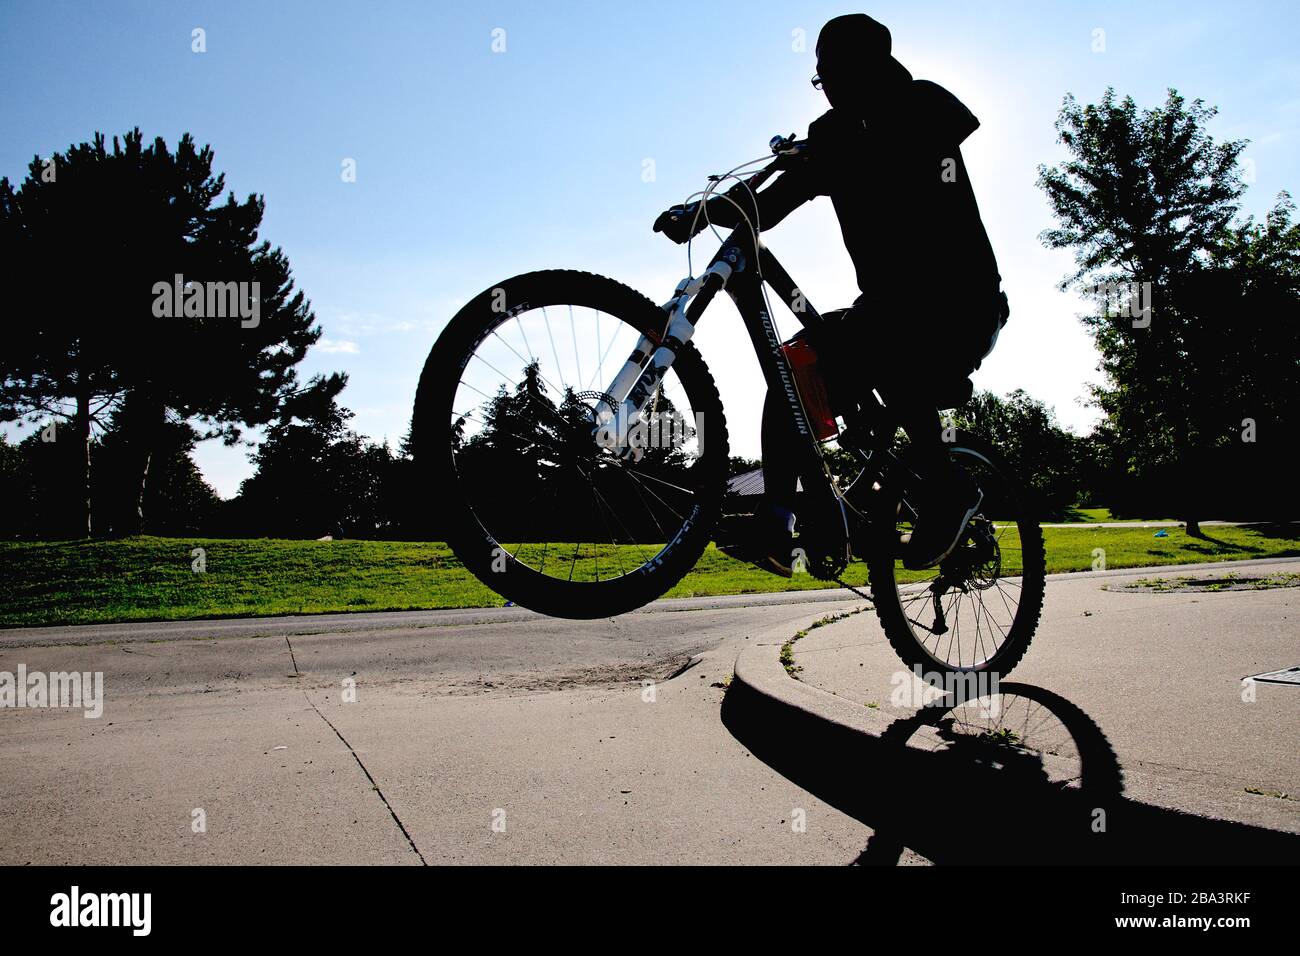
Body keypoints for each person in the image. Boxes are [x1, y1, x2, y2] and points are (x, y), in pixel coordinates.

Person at [654, 13, 1007, 575]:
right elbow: (768, 205)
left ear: (874, 63)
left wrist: (829, 149)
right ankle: (779, 521)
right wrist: (705, 211)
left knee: (894, 344)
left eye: (833, 72)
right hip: (885, 313)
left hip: (961, 305)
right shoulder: (835, 136)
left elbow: (923, 142)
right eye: (820, 78)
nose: (828, 86)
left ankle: (947, 490)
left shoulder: (922, 107)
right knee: (790, 371)